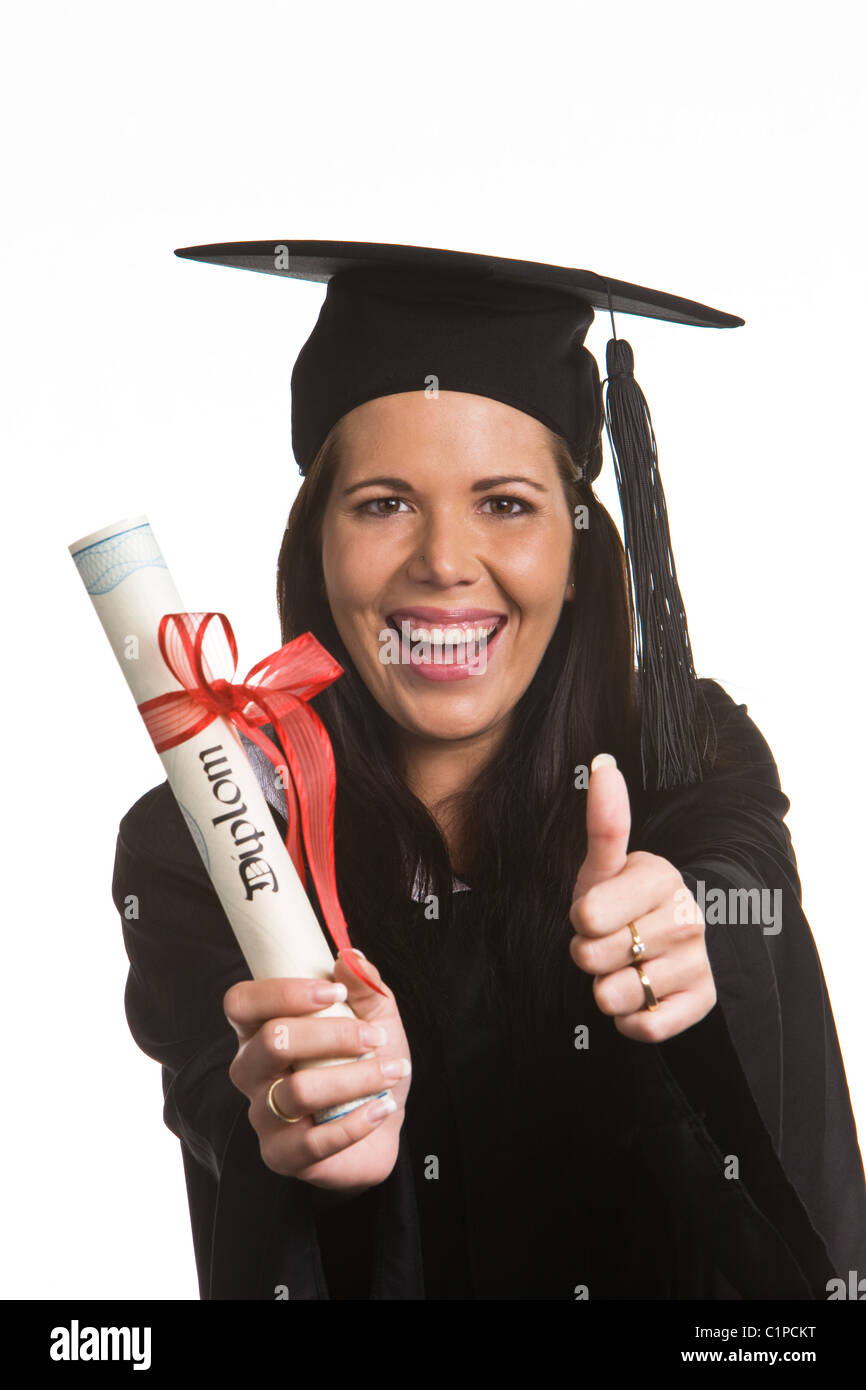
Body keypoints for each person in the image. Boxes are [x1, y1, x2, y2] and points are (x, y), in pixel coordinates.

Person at [113, 241, 866, 1299]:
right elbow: (218, 1096)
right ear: (313, 547)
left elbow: (735, 882)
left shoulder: (681, 755)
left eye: (504, 503)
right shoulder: (213, 830)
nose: (443, 560)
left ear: (576, 539)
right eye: (383, 503)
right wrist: (316, 1141)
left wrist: (690, 943)